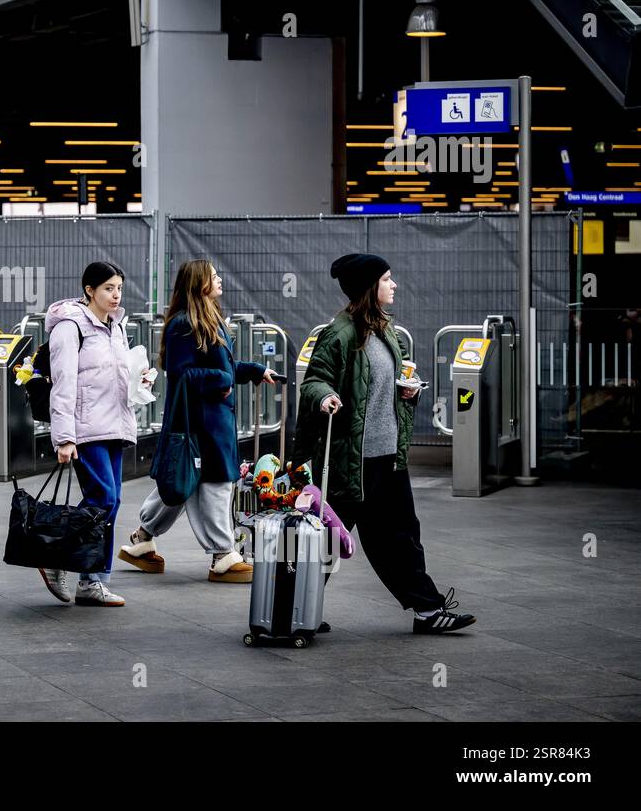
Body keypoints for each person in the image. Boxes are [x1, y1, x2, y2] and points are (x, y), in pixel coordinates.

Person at [291, 253, 476, 634]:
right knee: (325, 540)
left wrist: (407, 391)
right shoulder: (339, 334)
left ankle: (427, 610)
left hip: (388, 456)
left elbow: (392, 378)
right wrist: (325, 395)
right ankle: (293, 611)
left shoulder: (385, 330)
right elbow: (313, 380)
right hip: (350, 461)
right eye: (387, 279)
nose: (394, 285)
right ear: (368, 288)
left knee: (401, 535)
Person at [118, 259, 275, 582]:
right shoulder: (183, 325)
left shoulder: (207, 319)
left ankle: (142, 538)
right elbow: (181, 372)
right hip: (200, 420)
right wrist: (220, 379)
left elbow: (222, 367)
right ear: (200, 284)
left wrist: (255, 371)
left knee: (182, 480)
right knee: (216, 482)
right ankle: (222, 553)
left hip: (209, 418)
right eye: (214, 276)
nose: (220, 281)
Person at [38, 261, 140, 607]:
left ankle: (92, 580)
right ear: (89, 290)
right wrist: (64, 437)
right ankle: (56, 556)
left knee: (111, 503)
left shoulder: (116, 326)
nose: (115, 295)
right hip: (86, 428)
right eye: (109, 288)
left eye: (119, 288)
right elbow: (63, 383)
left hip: (114, 425)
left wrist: (139, 381)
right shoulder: (70, 327)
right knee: (103, 499)